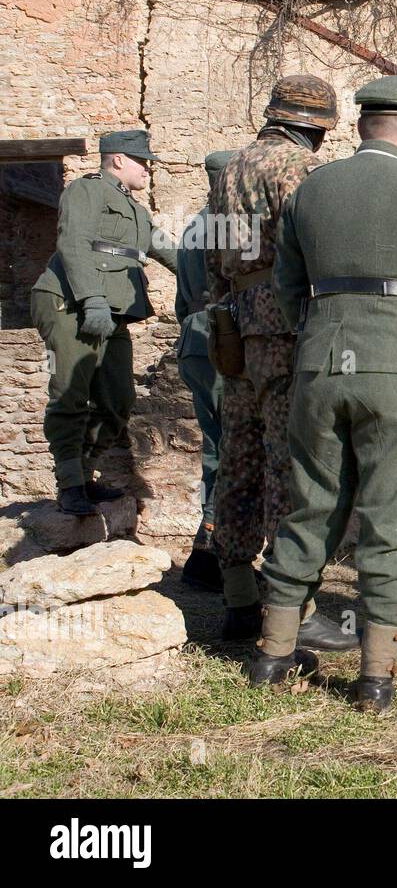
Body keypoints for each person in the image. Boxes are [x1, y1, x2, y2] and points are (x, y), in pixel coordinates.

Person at [249, 75, 397, 711]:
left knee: (310, 506)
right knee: (392, 518)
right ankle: (375, 676)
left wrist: (316, 336)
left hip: (319, 365)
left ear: (358, 127)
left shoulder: (310, 188)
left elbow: (286, 286)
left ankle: (272, 654)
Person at [207, 75, 355, 650]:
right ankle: (294, 607)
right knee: (290, 464)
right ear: (315, 127)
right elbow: (318, 246)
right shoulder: (297, 170)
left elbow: (217, 255)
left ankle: (238, 596)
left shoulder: (228, 170)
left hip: (234, 326)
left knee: (237, 459)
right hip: (286, 328)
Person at [31, 130, 177, 515]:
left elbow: (173, 253)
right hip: (69, 302)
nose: (148, 170)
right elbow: (73, 242)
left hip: (110, 311)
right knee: (70, 394)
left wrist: (218, 281)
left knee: (118, 401)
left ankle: (84, 471)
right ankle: (71, 484)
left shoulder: (136, 211)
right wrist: (92, 298)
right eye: (142, 162)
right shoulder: (86, 191)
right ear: (117, 160)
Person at [176, 149, 234, 590]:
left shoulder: (194, 226)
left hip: (195, 341)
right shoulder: (231, 226)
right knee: (233, 448)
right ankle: (210, 553)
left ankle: (209, 549)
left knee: (217, 447)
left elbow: (182, 300)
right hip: (224, 340)